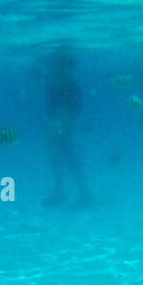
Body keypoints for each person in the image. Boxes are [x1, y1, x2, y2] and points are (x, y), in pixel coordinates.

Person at [43, 47, 93, 208]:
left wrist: (61, 131)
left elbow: (69, 114)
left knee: (68, 154)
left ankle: (84, 195)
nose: (54, 70)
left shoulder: (70, 88)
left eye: (58, 66)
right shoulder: (54, 85)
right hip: (56, 123)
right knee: (57, 155)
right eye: (53, 66)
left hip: (63, 122)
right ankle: (61, 191)